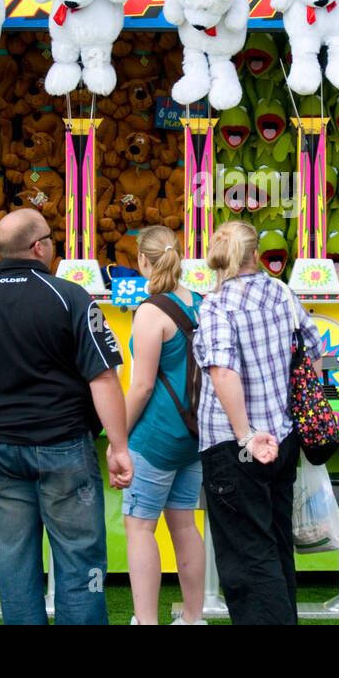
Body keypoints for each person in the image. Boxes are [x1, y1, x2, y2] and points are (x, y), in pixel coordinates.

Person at [0, 208, 133, 626]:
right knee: (81, 563)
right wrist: (119, 445)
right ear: (39, 246)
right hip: (63, 448)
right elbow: (103, 377)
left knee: (14, 568)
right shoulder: (70, 295)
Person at [192, 219, 325, 625]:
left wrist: (246, 434)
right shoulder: (283, 292)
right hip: (283, 438)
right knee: (275, 546)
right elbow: (314, 351)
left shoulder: (217, 303)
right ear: (256, 253)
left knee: (247, 558)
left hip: (238, 446)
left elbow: (222, 371)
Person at [123, 226, 206, 625]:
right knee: (185, 525)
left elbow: (140, 387)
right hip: (194, 436)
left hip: (155, 438)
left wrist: (117, 436)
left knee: (140, 528)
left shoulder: (151, 311)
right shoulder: (203, 304)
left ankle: (146, 621)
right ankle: (193, 618)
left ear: (142, 261)